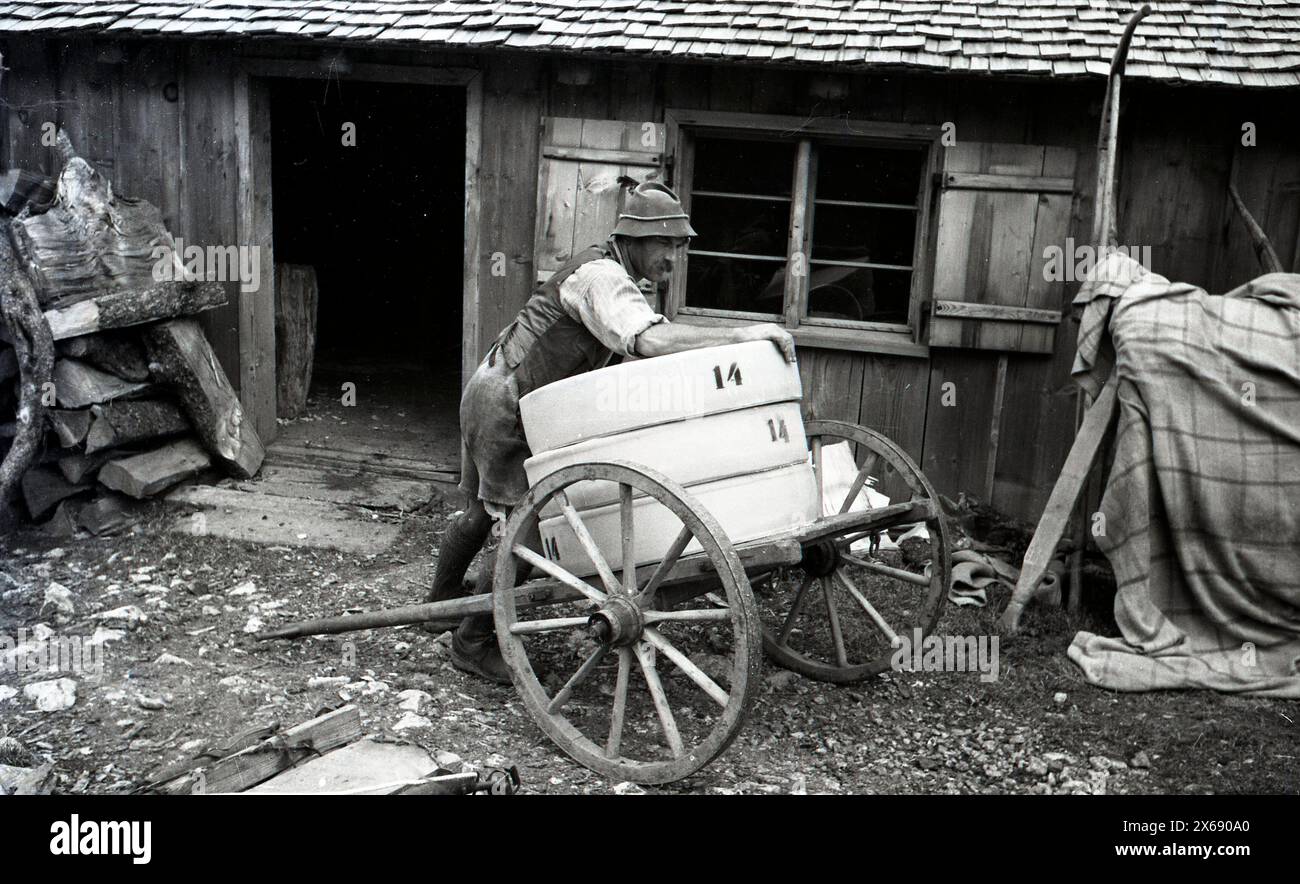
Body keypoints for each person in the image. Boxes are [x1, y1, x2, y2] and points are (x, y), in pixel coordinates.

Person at [427, 180, 796, 683]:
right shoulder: (602, 278)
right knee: (527, 526)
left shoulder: (610, 272)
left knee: (481, 510)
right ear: (635, 240)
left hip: (495, 386)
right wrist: (744, 335)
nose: (673, 255)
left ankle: (441, 603)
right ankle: (472, 640)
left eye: (679, 245)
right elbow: (648, 341)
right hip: (507, 403)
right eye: (665, 243)